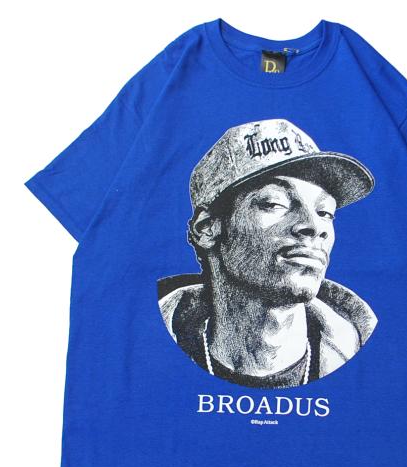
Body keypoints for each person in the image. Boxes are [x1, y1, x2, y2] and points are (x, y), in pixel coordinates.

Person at [157, 118, 378, 388]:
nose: (314, 226)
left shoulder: (372, 365)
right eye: (275, 203)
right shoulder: (144, 354)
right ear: (207, 229)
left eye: (325, 212)